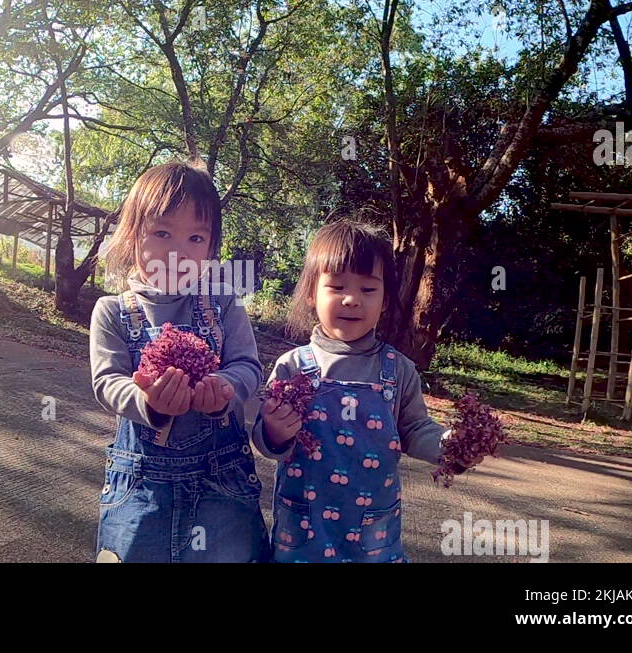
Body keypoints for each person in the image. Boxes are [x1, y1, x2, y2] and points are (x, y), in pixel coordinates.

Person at [251, 220, 481, 563]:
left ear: (385, 299)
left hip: (373, 535)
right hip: (303, 529)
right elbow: (265, 439)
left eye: (368, 290)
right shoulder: (292, 367)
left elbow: (416, 430)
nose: (352, 300)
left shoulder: (398, 369)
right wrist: (274, 431)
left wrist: (453, 446)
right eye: (337, 286)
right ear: (312, 294)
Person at [89, 160, 270, 563]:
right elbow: (107, 382)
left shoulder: (224, 303)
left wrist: (225, 388)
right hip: (140, 487)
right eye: (162, 233)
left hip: (222, 482)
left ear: (210, 247)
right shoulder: (112, 311)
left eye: (195, 238)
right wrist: (148, 403)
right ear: (133, 236)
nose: (177, 252)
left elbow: (248, 367)